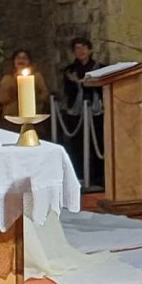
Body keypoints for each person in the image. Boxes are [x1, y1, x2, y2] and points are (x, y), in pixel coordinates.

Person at [60, 37, 103, 180]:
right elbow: (68, 92)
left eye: (84, 47)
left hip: (96, 112)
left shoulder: (101, 68)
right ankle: (79, 176)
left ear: (90, 50)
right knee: (78, 146)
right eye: (77, 48)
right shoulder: (69, 71)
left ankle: (99, 177)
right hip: (76, 113)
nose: (81, 51)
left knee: (98, 144)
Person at [0, 49, 50, 132]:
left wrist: (31, 97)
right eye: (18, 58)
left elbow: (44, 93)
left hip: (31, 118)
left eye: (24, 58)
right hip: (12, 119)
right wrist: (12, 94)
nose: (21, 60)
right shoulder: (7, 78)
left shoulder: (36, 77)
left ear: (29, 61)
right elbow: (1, 98)